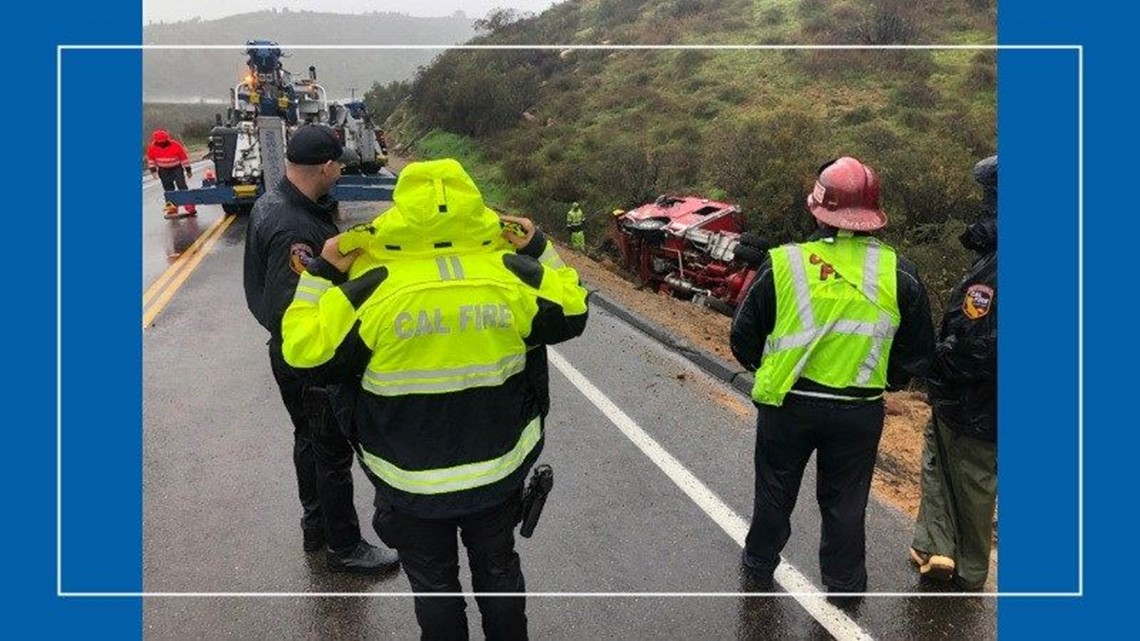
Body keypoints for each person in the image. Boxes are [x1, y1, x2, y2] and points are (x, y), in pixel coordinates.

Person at [280, 158, 589, 640]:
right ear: (474, 205)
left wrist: (320, 272)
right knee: (500, 572)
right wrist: (540, 249)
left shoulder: (370, 289)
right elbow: (574, 309)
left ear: (401, 212)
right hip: (497, 470)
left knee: (435, 587)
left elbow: (302, 351)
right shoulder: (512, 275)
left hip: (408, 480)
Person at [730, 156, 935, 594]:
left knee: (774, 491)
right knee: (846, 501)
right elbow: (917, 354)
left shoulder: (783, 263)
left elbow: (743, 337)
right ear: (873, 215)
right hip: (858, 411)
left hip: (789, 403)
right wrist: (881, 378)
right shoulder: (900, 273)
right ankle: (844, 586)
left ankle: (759, 566)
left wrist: (770, 367)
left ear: (817, 210)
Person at [242, 123, 399, 574]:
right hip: (307, 358)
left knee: (309, 441)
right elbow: (290, 307)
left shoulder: (273, 203)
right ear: (326, 166)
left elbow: (262, 292)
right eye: (339, 165)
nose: (342, 171)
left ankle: (316, 527)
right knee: (331, 451)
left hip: (288, 351)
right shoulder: (295, 227)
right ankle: (344, 546)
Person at [910, 155, 998, 591]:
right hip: (989, 398)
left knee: (954, 468)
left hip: (973, 397)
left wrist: (934, 364)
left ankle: (961, 565)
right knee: (967, 473)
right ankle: (939, 549)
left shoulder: (995, 266)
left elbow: (975, 346)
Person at [145, 129, 197, 219]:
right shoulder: (152, 148)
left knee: (182, 186)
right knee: (168, 189)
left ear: (167, 139)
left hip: (176, 168)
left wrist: (188, 170)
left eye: (163, 141)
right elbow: (151, 160)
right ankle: (172, 209)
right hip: (163, 170)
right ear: (156, 141)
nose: (162, 143)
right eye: (159, 142)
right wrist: (153, 171)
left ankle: (190, 207)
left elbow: (184, 158)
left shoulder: (175, 145)